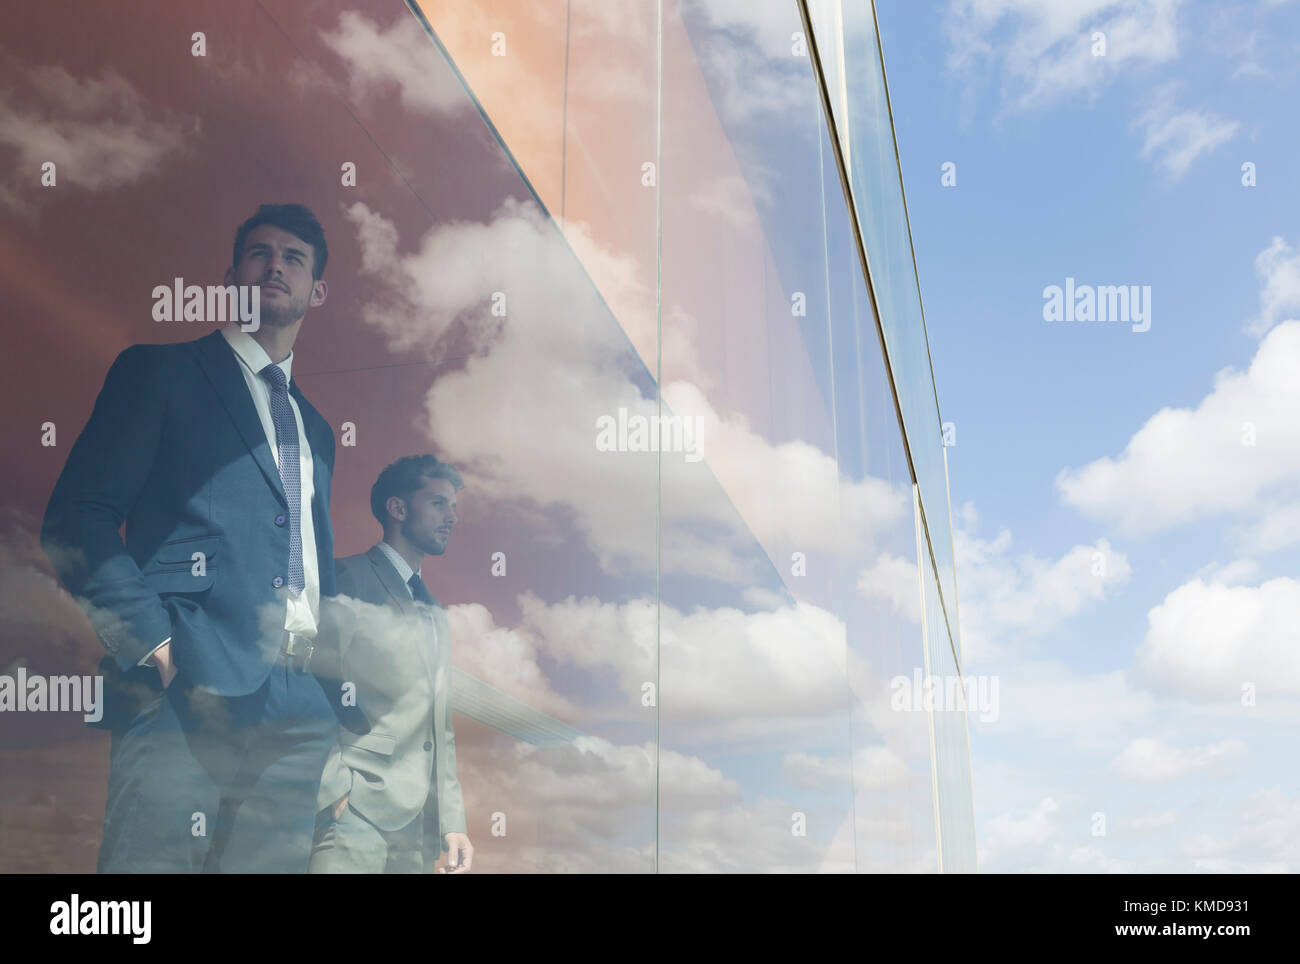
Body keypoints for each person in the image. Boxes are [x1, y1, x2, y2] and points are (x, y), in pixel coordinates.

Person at [42, 203, 342, 872]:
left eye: (294, 257)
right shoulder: (160, 371)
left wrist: (334, 696)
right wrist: (152, 638)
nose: (275, 265)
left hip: (297, 702)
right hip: (189, 679)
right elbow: (78, 515)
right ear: (231, 274)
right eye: (259, 253)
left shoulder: (316, 429)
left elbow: (317, 561)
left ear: (317, 291)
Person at [311, 455, 472, 874]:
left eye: (453, 506)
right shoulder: (345, 578)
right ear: (397, 509)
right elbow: (309, 683)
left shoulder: (435, 611)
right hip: (354, 813)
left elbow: (441, 728)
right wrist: (334, 788)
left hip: (416, 833)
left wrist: (452, 822)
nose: (452, 517)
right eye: (438, 503)